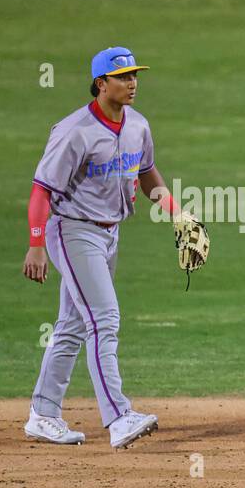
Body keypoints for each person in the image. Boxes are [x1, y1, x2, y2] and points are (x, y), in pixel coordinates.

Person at [23, 46, 193, 449]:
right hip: (72, 230)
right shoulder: (74, 131)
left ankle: (43, 414)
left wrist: (176, 212)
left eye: (135, 76)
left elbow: (149, 175)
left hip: (109, 233)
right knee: (104, 318)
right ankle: (117, 417)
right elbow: (41, 191)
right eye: (123, 77)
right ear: (101, 84)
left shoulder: (137, 126)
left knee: (72, 325)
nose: (132, 83)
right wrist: (36, 245)